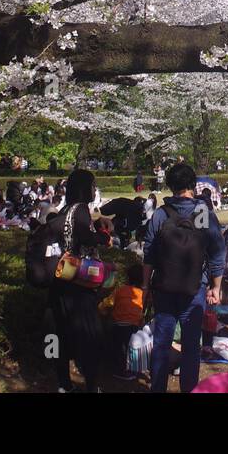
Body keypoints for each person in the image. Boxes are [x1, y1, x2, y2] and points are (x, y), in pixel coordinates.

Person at [142, 162, 225, 393]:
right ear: (192, 185)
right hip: (194, 287)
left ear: (170, 185)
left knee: (161, 343)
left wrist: (145, 286)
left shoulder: (162, 214)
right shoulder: (201, 212)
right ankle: (190, 389)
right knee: (191, 346)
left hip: (164, 287)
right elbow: (216, 252)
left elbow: (148, 253)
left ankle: (157, 388)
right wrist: (216, 286)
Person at [47, 168, 104, 392]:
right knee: (91, 337)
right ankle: (92, 385)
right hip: (79, 283)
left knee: (62, 334)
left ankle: (64, 384)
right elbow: (87, 239)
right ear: (83, 188)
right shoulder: (81, 210)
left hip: (62, 280)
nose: (94, 190)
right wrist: (103, 235)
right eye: (92, 185)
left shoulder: (66, 210)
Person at [100, 263, 146, 380]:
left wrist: (101, 309)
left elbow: (107, 304)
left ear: (127, 277)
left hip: (118, 325)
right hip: (135, 327)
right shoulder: (142, 294)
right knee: (129, 348)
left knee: (118, 347)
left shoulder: (120, 290)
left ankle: (120, 369)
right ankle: (132, 368)